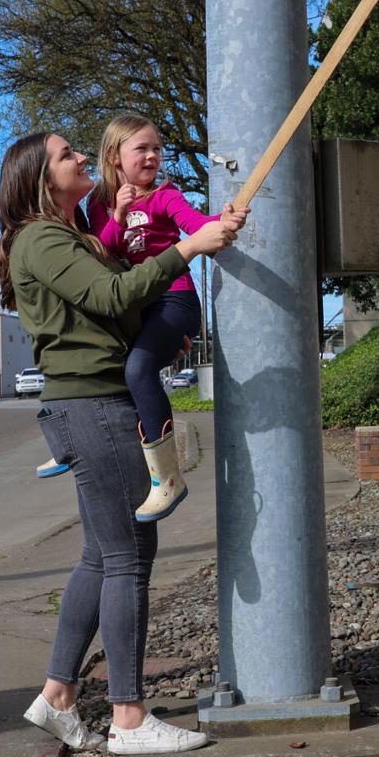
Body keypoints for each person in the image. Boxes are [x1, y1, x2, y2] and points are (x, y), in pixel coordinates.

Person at [0, 130, 247, 755]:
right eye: (65, 155)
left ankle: (58, 697)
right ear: (39, 179)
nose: (82, 157)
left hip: (86, 404)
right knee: (130, 554)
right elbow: (109, 293)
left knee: (99, 556)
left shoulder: (67, 235)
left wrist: (163, 333)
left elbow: (107, 311)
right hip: (96, 407)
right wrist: (187, 247)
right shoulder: (43, 237)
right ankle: (129, 718)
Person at [80, 113, 231, 522]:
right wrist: (118, 215)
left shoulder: (166, 195)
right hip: (138, 308)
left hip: (174, 302)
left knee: (138, 370)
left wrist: (224, 221)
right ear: (114, 156)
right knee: (107, 367)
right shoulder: (96, 204)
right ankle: (74, 442)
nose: (152, 156)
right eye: (141, 148)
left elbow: (195, 226)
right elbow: (103, 254)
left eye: (157, 148)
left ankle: (168, 479)